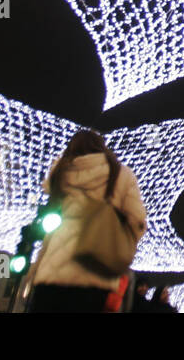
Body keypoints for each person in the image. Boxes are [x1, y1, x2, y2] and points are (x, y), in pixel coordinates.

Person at [28, 129, 148, 313]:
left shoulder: (61, 172)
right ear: (101, 147)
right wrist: (121, 243)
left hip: (53, 269)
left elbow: (49, 213)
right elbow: (138, 221)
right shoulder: (120, 174)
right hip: (96, 272)